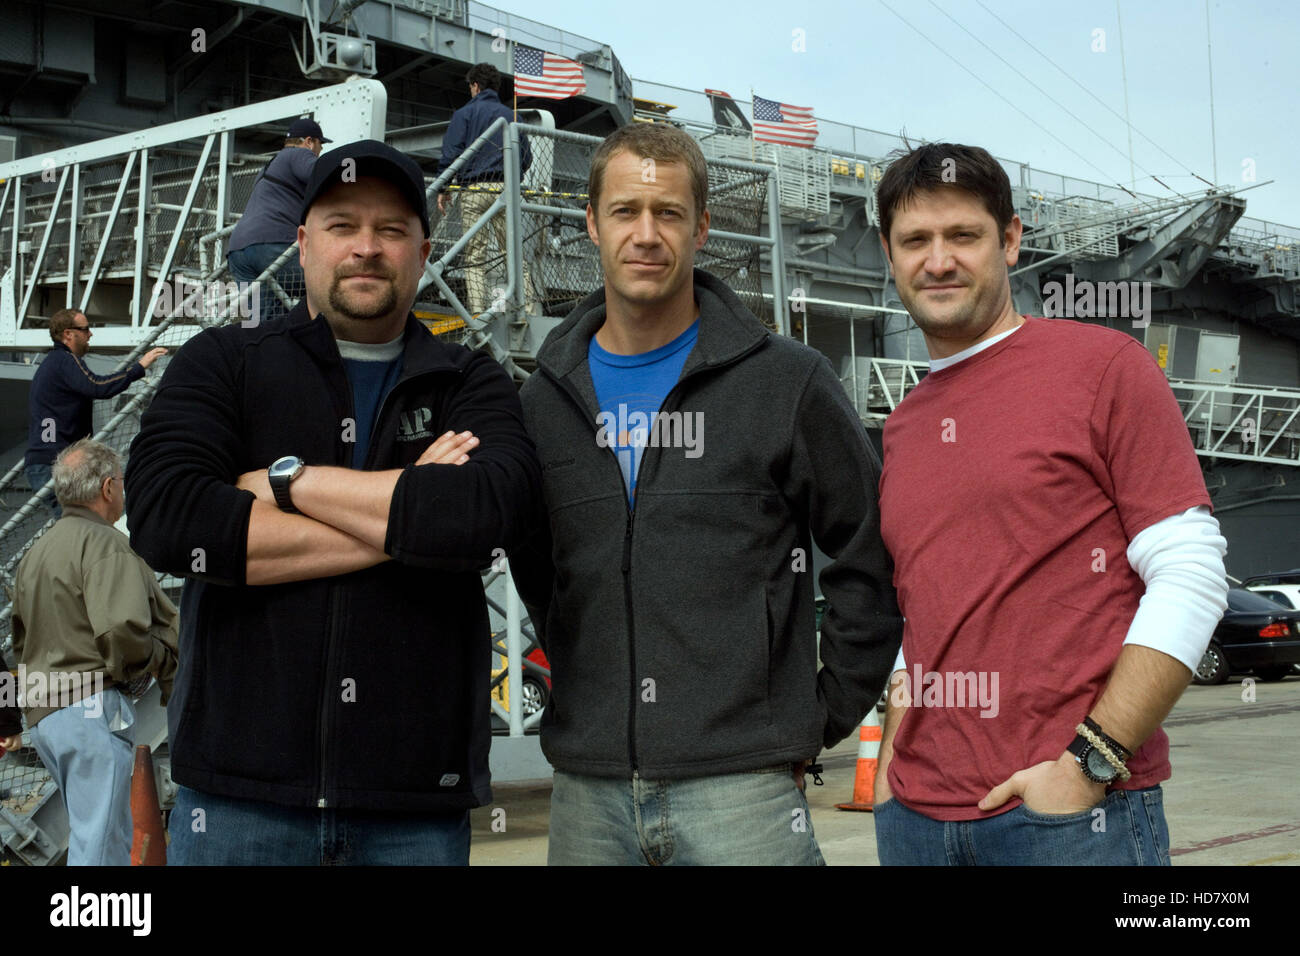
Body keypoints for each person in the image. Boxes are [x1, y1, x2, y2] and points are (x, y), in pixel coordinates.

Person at [125, 140, 543, 866]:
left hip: (415, 805)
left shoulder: (468, 379)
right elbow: (169, 517)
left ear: (423, 250)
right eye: (343, 225)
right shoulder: (223, 361)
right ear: (302, 242)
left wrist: (287, 483)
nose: (366, 248)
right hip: (235, 802)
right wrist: (412, 518)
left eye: (390, 230)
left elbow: (488, 511)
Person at [511, 123, 903, 865]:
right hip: (588, 795)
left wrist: (816, 714)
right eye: (625, 212)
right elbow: (542, 573)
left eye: (669, 214)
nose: (647, 235)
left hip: (743, 791)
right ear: (591, 223)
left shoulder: (787, 379)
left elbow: (870, 551)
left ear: (703, 227)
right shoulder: (544, 400)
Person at [870, 143, 1229, 865]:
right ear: (888, 253)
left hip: (1067, 823)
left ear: (1010, 239)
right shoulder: (906, 423)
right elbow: (923, 612)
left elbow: (1191, 573)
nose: (938, 261)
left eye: (963, 236)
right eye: (916, 241)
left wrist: (1088, 765)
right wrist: (887, 776)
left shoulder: (1103, 368)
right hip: (916, 821)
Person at [10, 439, 179, 866]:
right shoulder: (104, 543)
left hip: (46, 714)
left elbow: (19, 641)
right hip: (90, 707)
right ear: (108, 488)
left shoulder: (35, 554)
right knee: (103, 842)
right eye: (120, 483)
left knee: (100, 833)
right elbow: (122, 628)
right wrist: (153, 664)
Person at [24, 308, 166, 516]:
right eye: (86, 329)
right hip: (56, 465)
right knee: (86, 521)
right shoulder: (64, 360)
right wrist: (139, 367)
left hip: (45, 462)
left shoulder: (52, 363)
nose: (90, 334)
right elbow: (98, 386)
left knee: (78, 522)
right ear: (68, 334)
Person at [435, 63, 536, 315]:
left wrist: (444, 187)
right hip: (505, 190)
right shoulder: (512, 115)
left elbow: (451, 154)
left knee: (475, 256)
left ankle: (477, 313)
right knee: (513, 254)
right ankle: (528, 310)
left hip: (473, 189)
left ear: (475, 86)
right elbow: (525, 157)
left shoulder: (463, 114)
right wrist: (513, 175)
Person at [227, 117, 330, 322]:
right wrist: (353, 172)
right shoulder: (299, 154)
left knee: (263, 321)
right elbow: (322, 174)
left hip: (238, 252)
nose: (320, 151)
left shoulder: (269, 167)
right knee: (331, 285)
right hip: (271, 245)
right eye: (320, 145)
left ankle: (271, 353)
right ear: (309, 141)